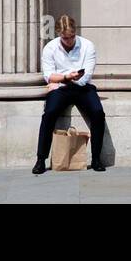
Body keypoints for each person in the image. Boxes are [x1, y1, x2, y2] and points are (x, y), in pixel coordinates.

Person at [34, 15, 107, 174]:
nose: (69, 41)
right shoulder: (50, 48)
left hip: (82, 87)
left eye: (72, 37)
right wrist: (65, 78)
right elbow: (48, 76)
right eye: (65, 38)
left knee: (98, 113)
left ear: (76, 32)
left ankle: (96, 158)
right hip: (61, 88)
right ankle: (41, 159)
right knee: (49, 114)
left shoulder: (87, 46)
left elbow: (85, 76)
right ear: (59, 34)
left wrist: (61, 79)